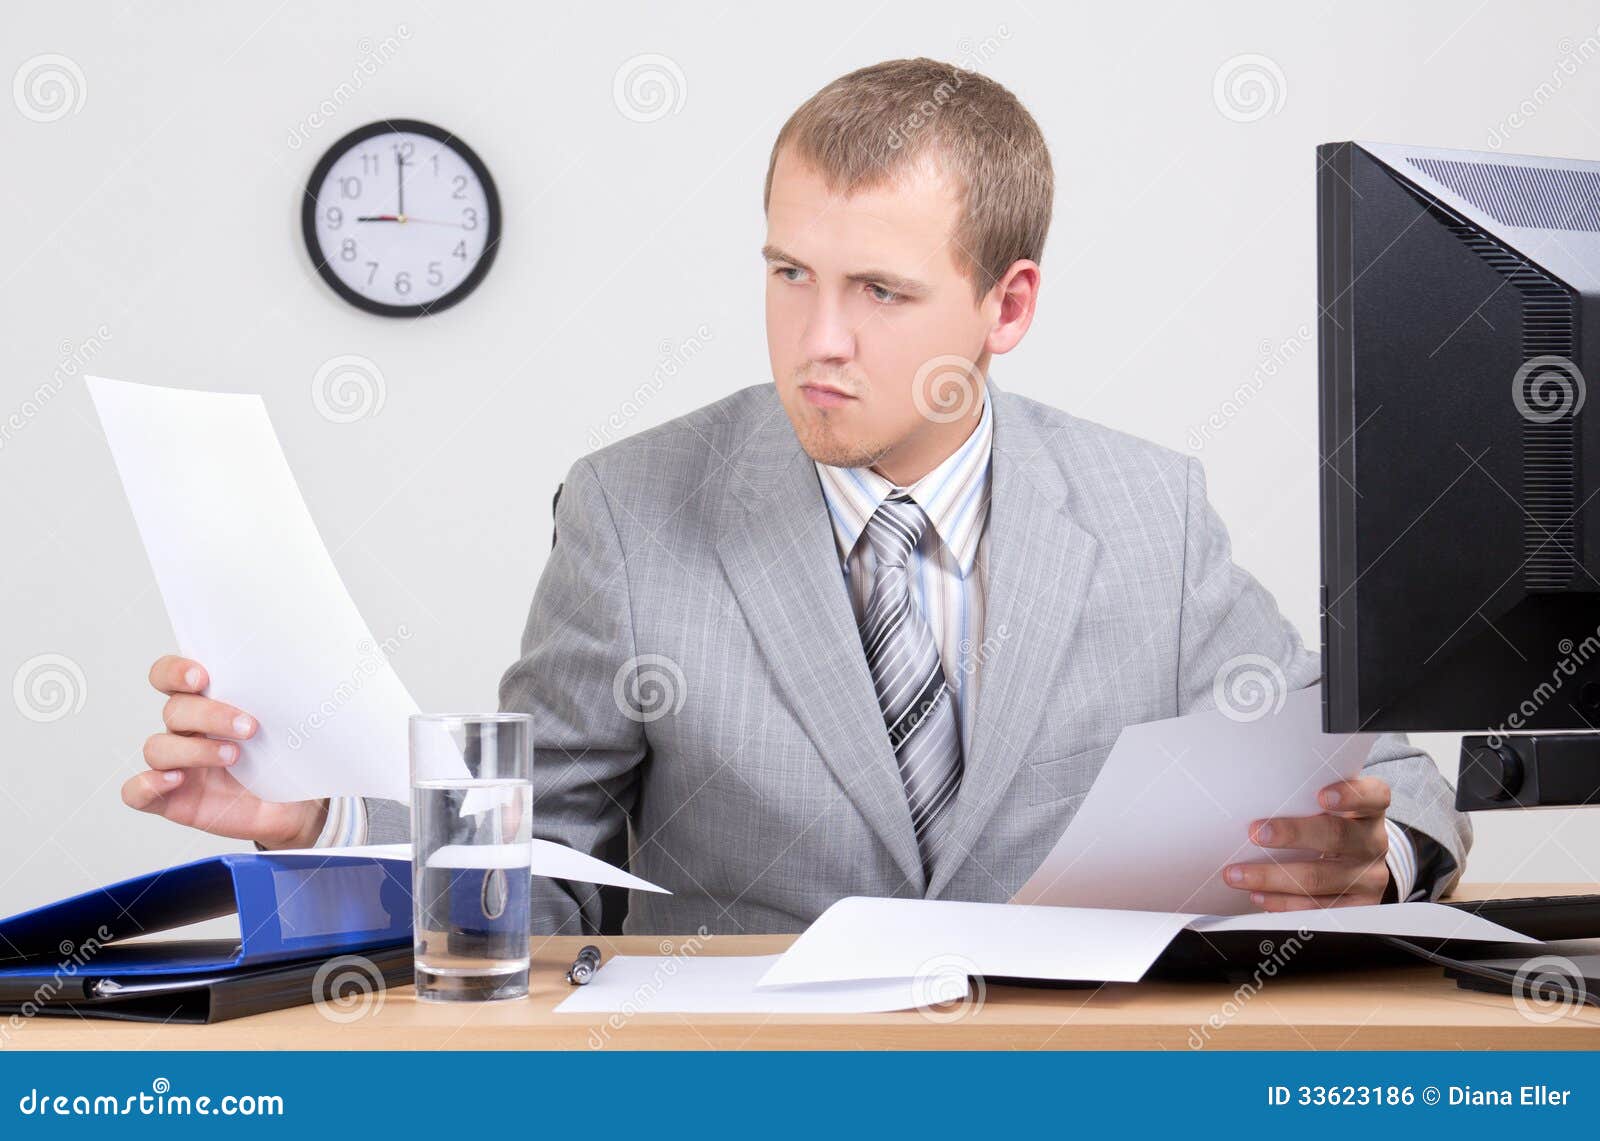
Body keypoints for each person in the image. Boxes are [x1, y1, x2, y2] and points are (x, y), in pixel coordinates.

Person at [126, 58, 1470, 934]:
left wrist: (1378, 857)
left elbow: (1393, 775)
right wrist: (318, 819)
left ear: (1009, 305)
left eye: (879, 291)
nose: (816, 338)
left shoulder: (1149, 511)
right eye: (788, 274)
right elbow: (539, 880)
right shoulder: (631, 509)